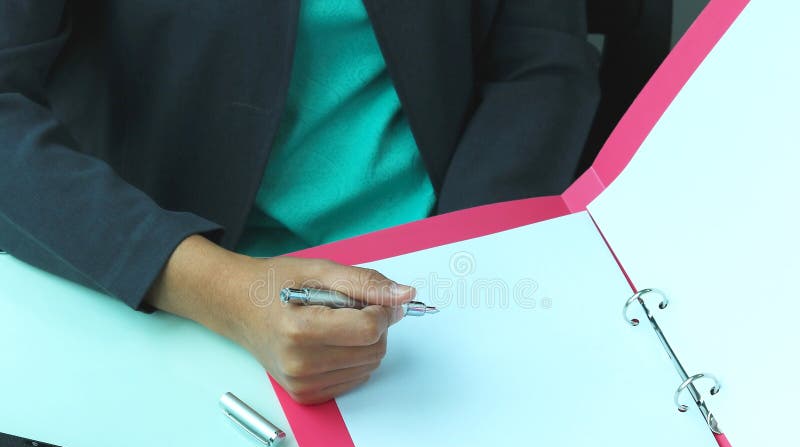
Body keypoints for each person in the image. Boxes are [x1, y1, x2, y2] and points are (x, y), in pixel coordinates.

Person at [0, 1, 599, 404]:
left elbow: (540, 58)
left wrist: (464, 256)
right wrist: (220, 290)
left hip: (459, 279)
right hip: (176, 296)